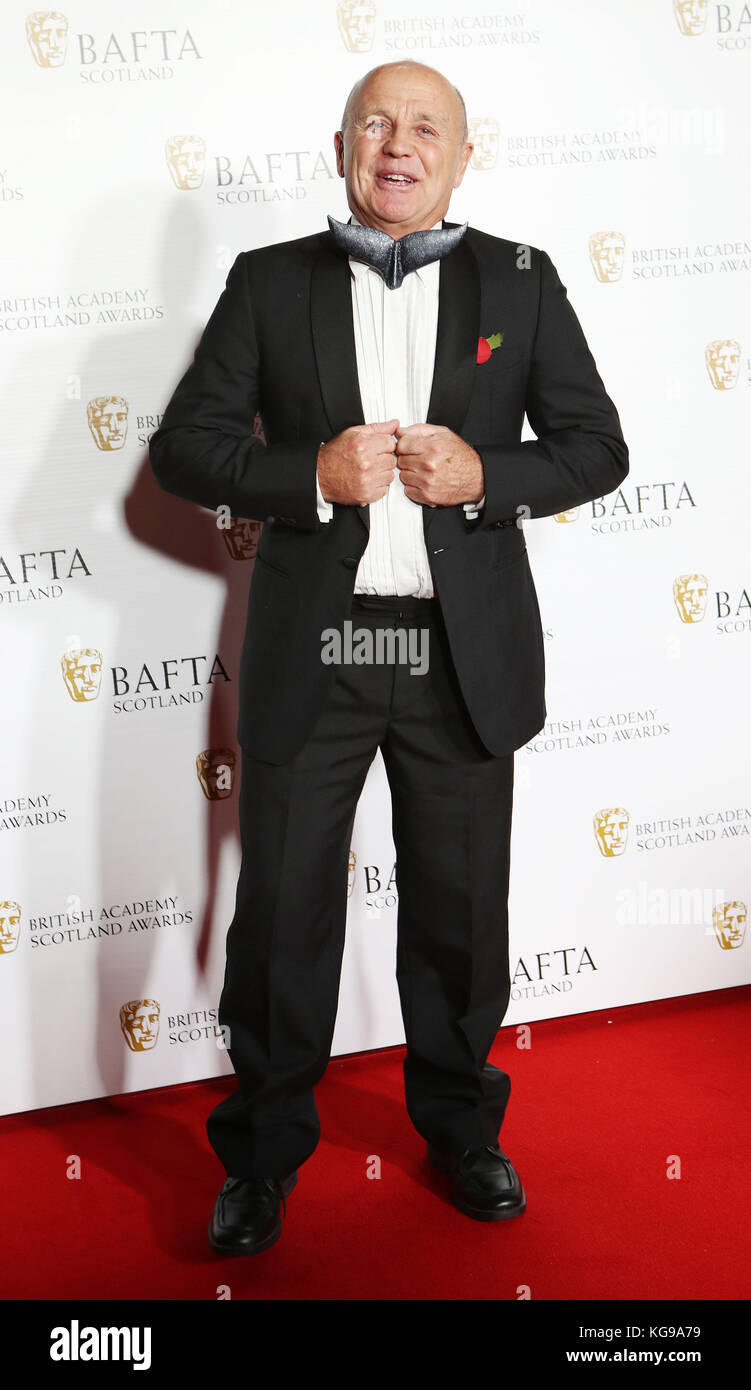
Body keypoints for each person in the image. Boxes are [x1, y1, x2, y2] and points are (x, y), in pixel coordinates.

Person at [149, 59, 629, 1256]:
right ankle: (261, 1157)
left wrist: (488, 478)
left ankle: (461, 1129)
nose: (399, 144)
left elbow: (596, 446)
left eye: (426, 128)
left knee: (461, 915)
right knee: (280, 914)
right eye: (378, 122)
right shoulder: (268, 282)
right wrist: (307, 474)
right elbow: (185, 450)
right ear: (341, 145)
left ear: (463, 157)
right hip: (321, 647)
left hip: (460, 655)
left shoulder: (522, 279)